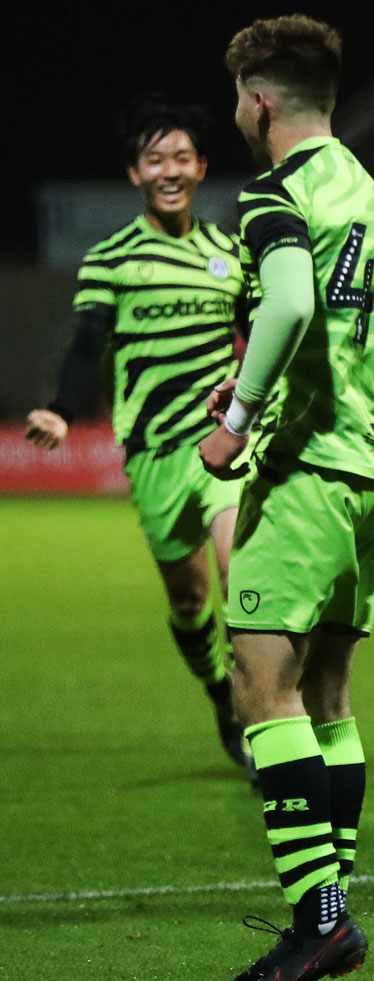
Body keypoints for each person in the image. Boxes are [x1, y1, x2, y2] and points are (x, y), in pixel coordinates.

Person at [201, 15, 374, 979]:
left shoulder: (276, 193)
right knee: (327, 692)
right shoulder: (367, 192)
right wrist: (273, 381)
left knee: (259, 688)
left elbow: (287, 301)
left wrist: (240, 417)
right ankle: (334, 908)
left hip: (310, 473)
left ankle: (320, 920)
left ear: (259, 99)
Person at [25, 98, 248, 771]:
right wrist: (63, 407)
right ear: (135, 174)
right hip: (153, 456)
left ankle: (262, 716)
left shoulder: (228, 252)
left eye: (182, 157)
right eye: (156, 159)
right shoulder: (111, 259)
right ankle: (220, 693)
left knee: (245, 576)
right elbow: (88, 339)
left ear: (201, 168)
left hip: (222, 447)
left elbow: (264, 333)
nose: (171, 169)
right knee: (190, 602)